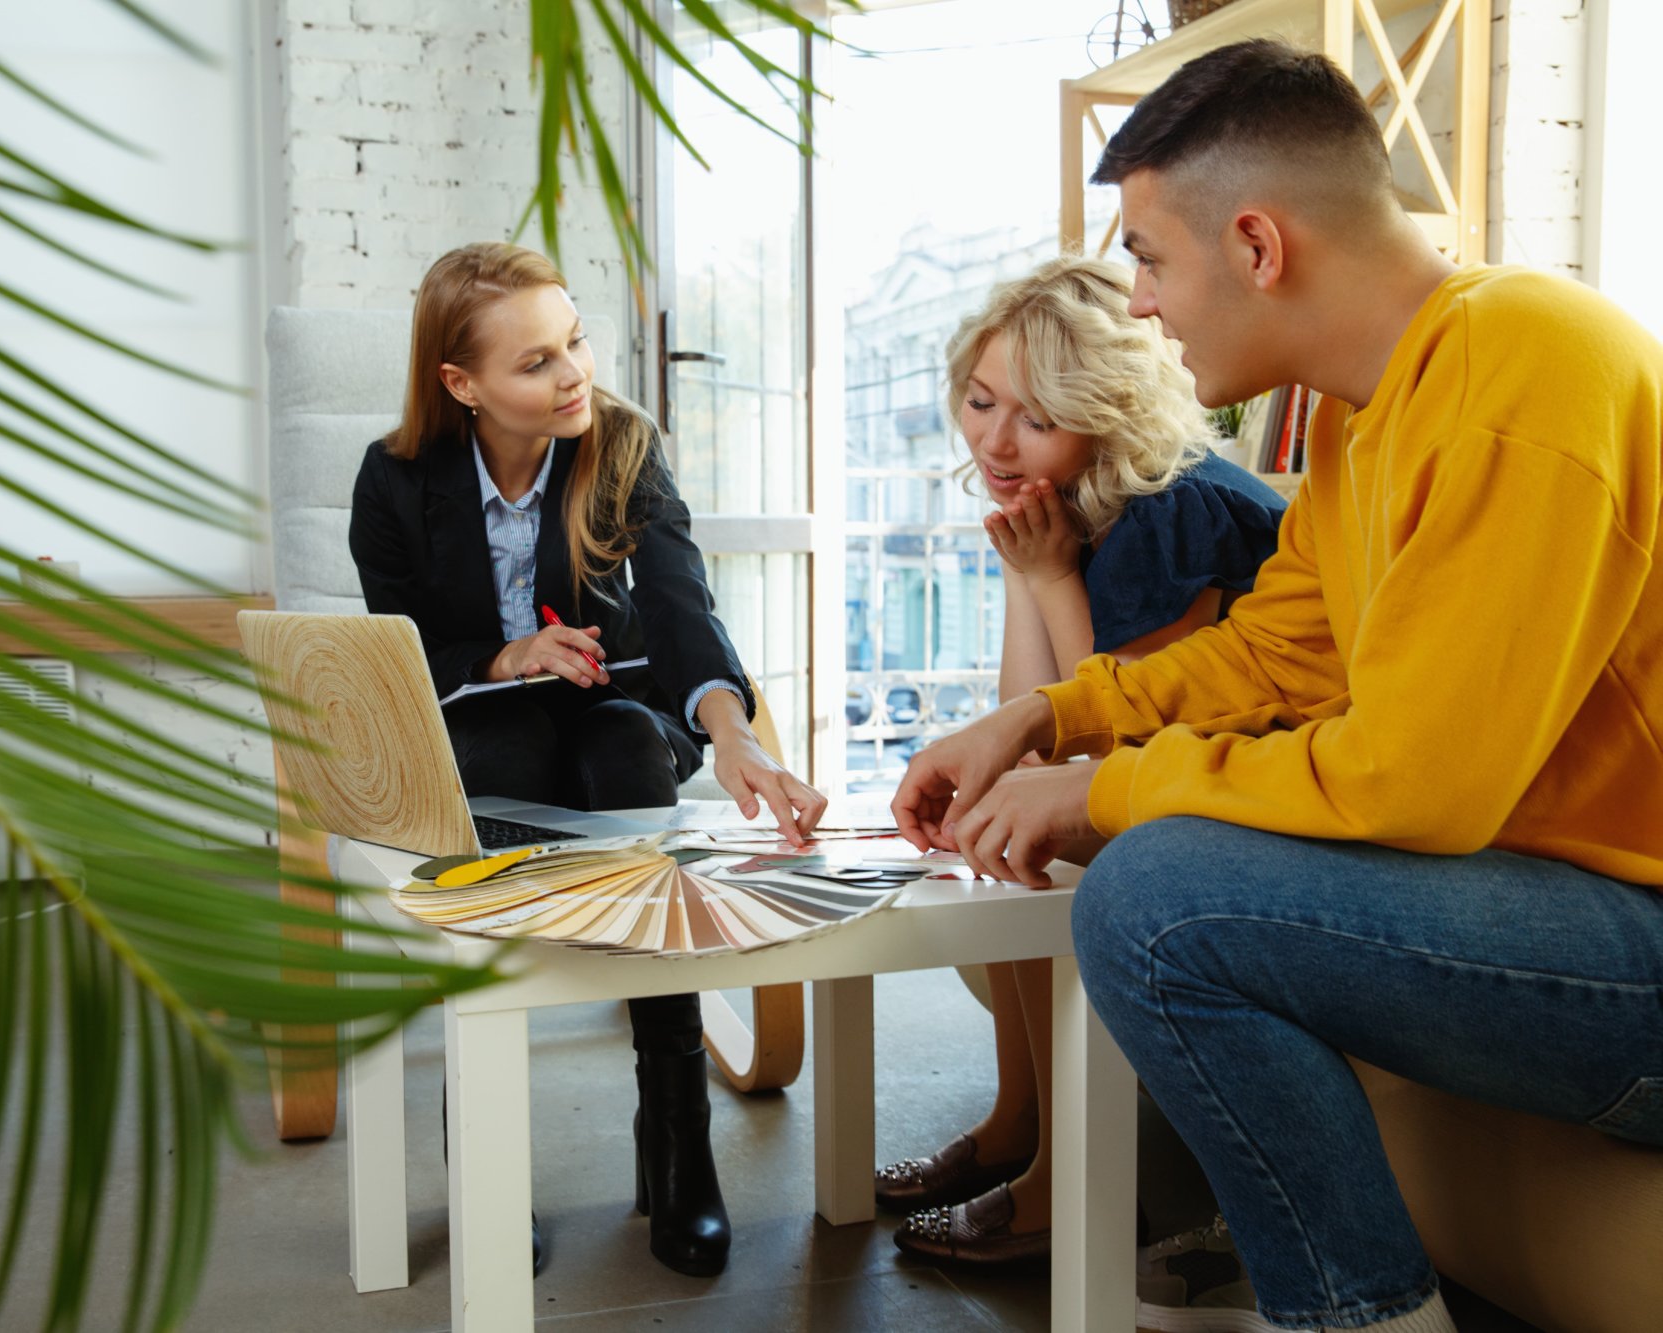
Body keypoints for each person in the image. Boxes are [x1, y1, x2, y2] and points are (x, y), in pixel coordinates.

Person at [892, 38, 1663, 1333]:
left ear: (1258, 244)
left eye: (1148, 256)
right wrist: (1043, 719)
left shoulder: (1527, 363)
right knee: (1152, 870)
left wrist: (1109, 792)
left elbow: (1418, 784)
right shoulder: (1368, 415)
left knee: (1155, 896)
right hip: (1560, 917)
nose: (1137, 304)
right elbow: (1269, 655)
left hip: (1636, 939)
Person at [349, 241, 826, 1279]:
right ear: (460, 383)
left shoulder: (619, 443)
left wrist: (734, 735)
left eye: (574, 341)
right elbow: (400, 645)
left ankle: (677, 1136)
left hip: (615, 713)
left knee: (621, 755)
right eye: (535, 363)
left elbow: (677, 599)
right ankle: (483, 1155)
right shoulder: (393, 480)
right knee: (508, 746)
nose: (573, 374)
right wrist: (500, 654)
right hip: (479, 724)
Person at [874, 256, 1286, 1268]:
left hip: (1250, 796)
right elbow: (1033, 718)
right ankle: (1018, 1122)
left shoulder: (1174, 510)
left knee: (1035, 835)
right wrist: (1029, 570)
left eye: (1035, 418)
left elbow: (1113, 738)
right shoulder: (1072, 498)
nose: (993, 439)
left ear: (1104, 413)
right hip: (1170, 779)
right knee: (1002, 815)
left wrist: (1050, 574)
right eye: (978, 402)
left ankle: (1063, 1183)